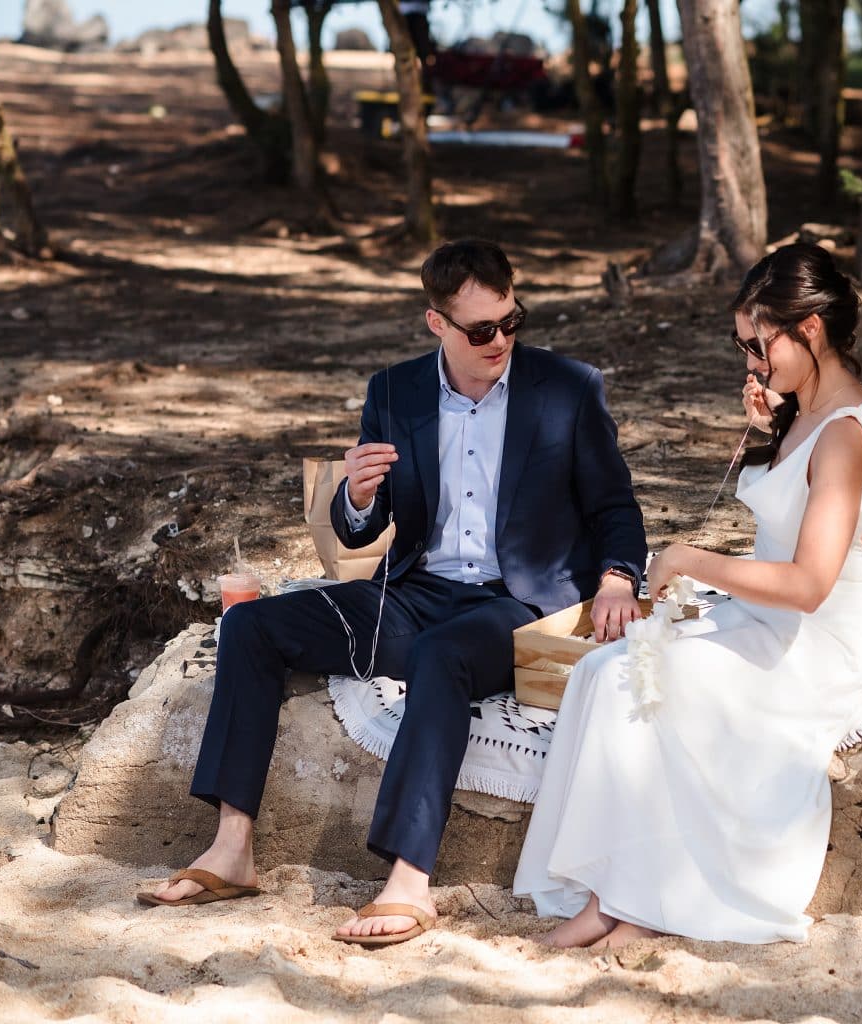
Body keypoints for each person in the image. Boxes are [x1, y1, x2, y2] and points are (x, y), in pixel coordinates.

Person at [139, 238, 647, 948]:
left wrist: (619, 576)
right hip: (415, 590)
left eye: (511, 321)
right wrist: (355, 494)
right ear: (436, 323)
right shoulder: (394, 391)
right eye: (480, 330)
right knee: (251, 628)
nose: (499, 340)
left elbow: (615, 506)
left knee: (442, 656)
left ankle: (410, 881)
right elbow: (360, 530)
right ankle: (233, 846)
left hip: (518, 605)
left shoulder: (567, 387)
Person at [514, 243, 862, 948]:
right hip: (767, 616)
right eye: (745, 346)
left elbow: (812, 584)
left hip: (813, 643)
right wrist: (777, 419)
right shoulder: (807, 410)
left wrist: (695, 558)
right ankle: (611, 892)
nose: (752, 363)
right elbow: (789, 507)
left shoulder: (846, 434)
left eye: (760, 345)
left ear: (808, 329)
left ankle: (634, 904)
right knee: (607, 666)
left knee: (649, 679)